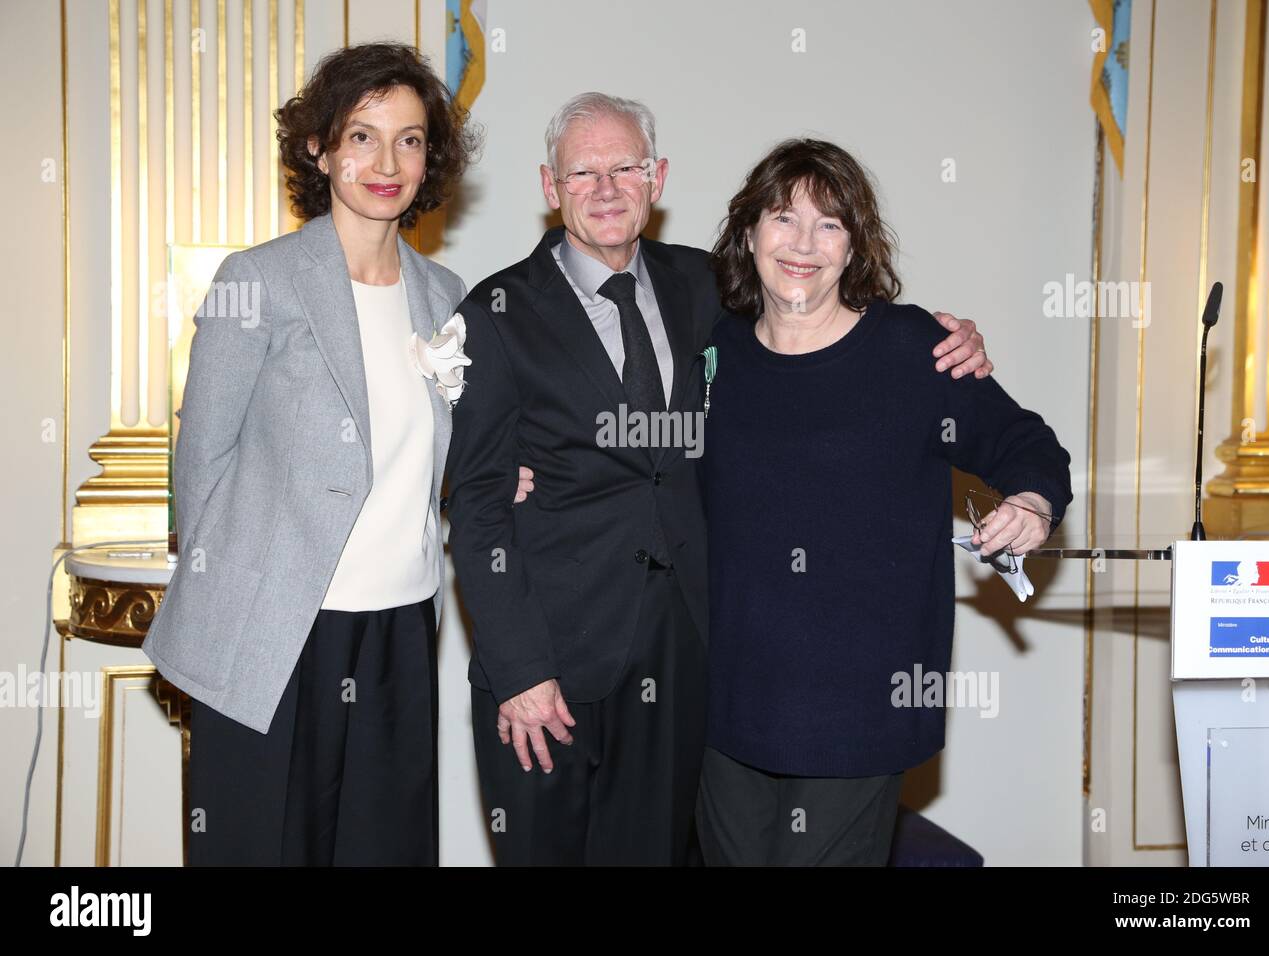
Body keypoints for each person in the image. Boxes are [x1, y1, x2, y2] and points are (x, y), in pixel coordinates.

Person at [446, 93, 992, 865]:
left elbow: (823, 324)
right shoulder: (495, 311)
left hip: (687, 663)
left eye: (626, 167)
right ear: (550, 187)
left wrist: (945, 339)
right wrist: (518, 670)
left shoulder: (710, 290)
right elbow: (475, 506)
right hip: (555, 666)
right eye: (583, 173)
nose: (606, 189)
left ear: (657, 177)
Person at [143, 42, 493, 865]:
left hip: (402, 627)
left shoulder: (445, 297)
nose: (386, 161)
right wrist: (230, 611)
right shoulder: (258, 280)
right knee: (262, 847)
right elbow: (200, 467)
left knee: (386, 849)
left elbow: (443, 468)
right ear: (320, 149)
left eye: (409, 140)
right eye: (362, 136)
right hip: (275, 635)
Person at [695, 138, 1073, 865]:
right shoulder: (714, 352)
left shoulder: (912, 351)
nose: (803, 243)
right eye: (783, 218)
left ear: (854, 247)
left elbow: (1027, 443)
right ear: (749, 233)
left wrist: (1030, 502)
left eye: (829, 224)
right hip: (728, 705)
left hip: (861, 706)